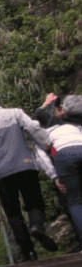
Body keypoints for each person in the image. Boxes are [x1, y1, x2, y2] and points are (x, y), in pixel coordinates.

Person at [0, 89, 58, 261]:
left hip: (2, 174)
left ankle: (29, 253)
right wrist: (47, 143)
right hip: (25, 166)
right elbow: (33, 127)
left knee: (13, 214)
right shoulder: (15, 113)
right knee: (34, 202)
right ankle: (36, 227)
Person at [45, 95, 82, 245]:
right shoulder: (77, 126)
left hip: (63, 156)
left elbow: (43, 150)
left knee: (74, 201)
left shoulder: (51, 126)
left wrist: (55, 175)